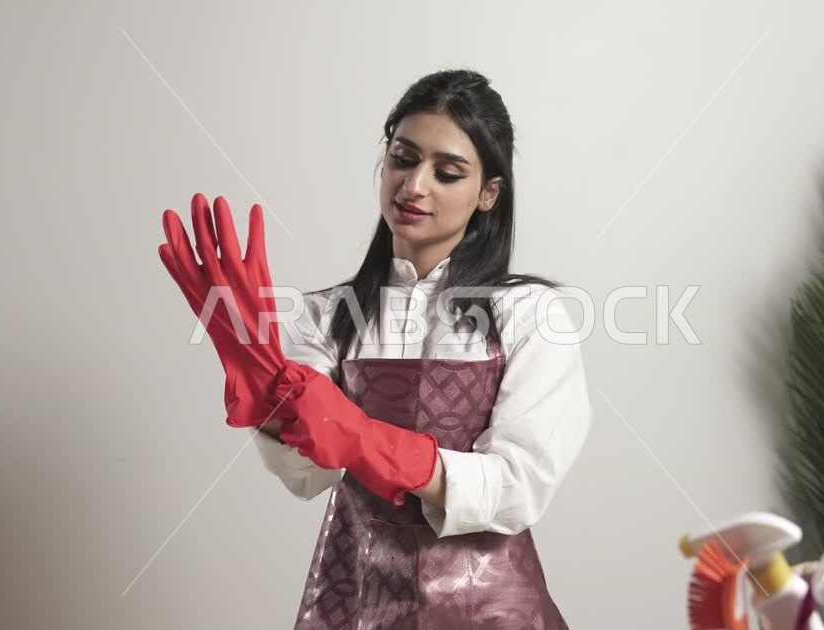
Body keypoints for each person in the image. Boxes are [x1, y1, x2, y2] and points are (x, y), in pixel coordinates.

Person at [159, 69, 593, 630]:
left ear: (489, 192)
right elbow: (307, 477)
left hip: (488, 611)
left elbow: (520, 486)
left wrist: (369, 444)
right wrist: (262, 383)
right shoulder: (328, 315)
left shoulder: (531, 313)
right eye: (403, 158)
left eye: (448, 172)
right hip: (354, 597)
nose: (414, 186)